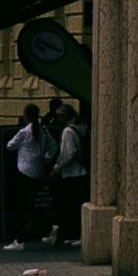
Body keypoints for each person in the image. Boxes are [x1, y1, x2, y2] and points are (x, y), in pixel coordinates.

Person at [0, 103, 54, 251]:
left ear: (25, 116)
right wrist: (46, 158)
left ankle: (19, 239)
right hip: (39, 172)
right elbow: (53, 147)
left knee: (21, 207)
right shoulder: (43, 130)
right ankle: (48, 228)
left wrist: (22, 149)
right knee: (31, 204)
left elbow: (10, 145)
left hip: (24, 171)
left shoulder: (25, 132)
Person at [48, 103, 88, 246]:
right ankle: (81, 234)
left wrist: (57, 168)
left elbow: (68, 153)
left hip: (71, 174)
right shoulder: (82, 128)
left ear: (64, 116)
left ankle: (73, 234)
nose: (58, 120)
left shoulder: (68, 132)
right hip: (83, 171)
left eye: (59, 117)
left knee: (69, 206)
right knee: (79, 205)